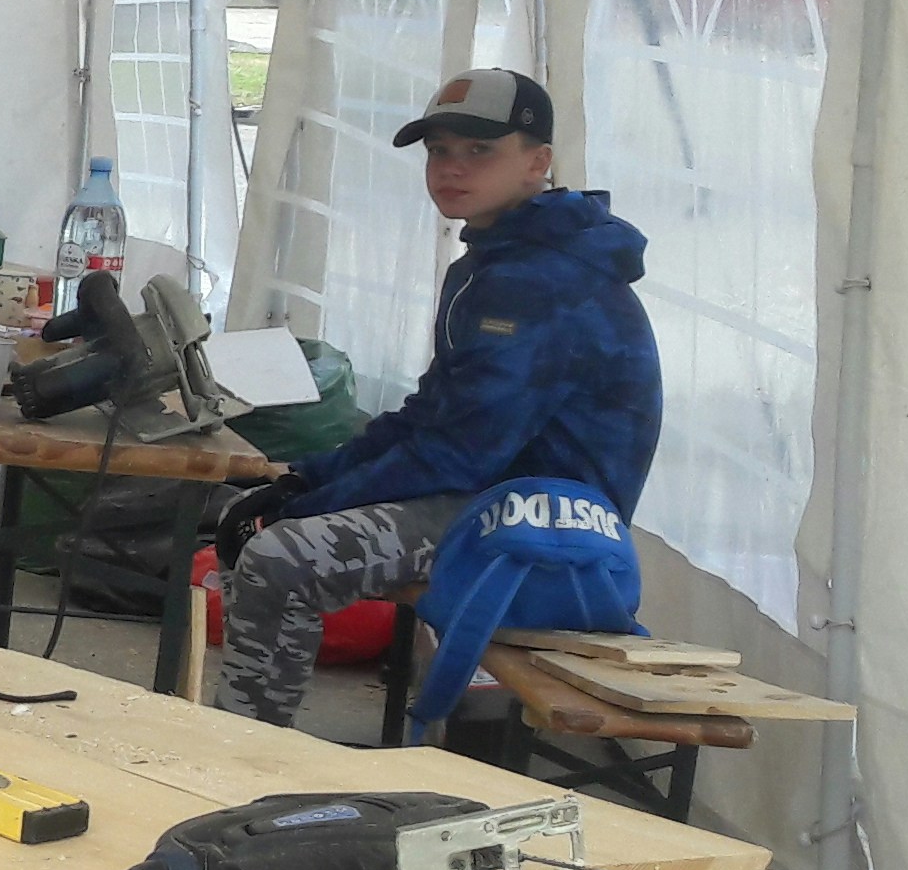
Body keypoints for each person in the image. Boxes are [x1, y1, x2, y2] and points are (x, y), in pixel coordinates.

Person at [209, 68, 662, 728]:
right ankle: (244, 736)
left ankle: (243, 752)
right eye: (440, 151)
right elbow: (432, 414)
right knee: (268, 526)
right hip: (491, 495)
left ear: (538, 162)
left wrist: (309, 505)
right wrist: (304, 478)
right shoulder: (499, 259)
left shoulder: (544, 278)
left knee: (283, 557)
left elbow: (460, 453)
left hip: (544, 524)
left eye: (480, 151)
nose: (452, 168)